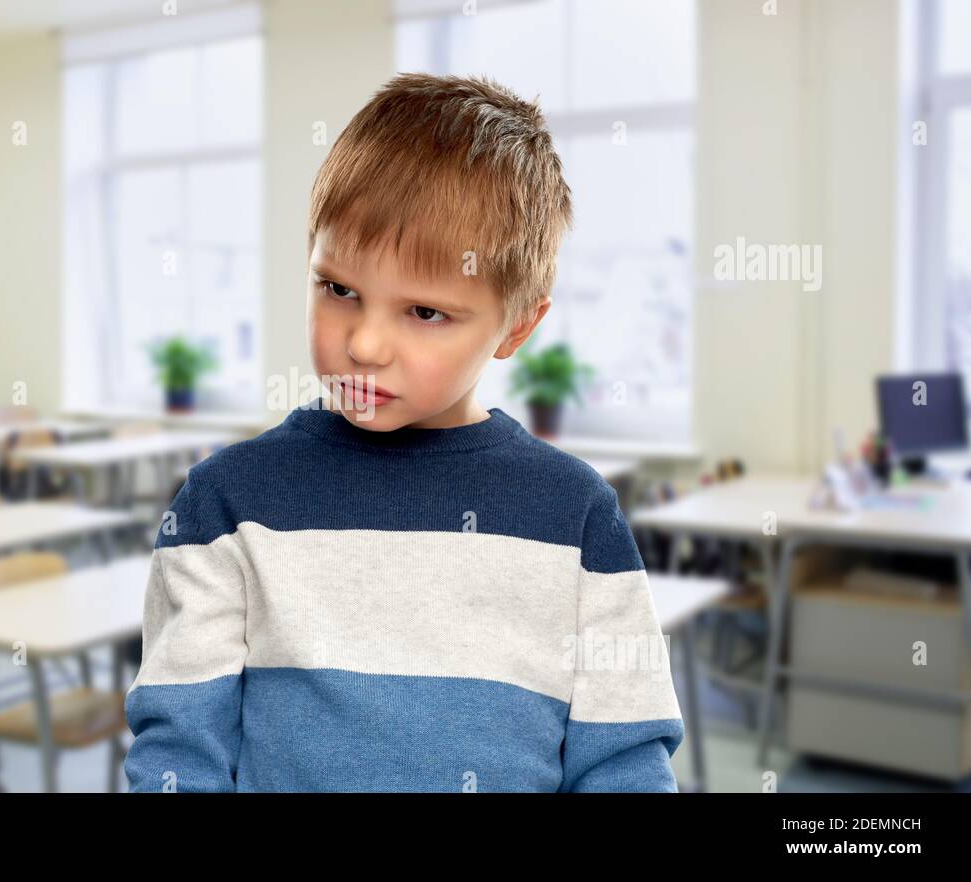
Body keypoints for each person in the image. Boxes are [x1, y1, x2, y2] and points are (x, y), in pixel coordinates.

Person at [123, 73, 683, 792]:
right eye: (339, 289)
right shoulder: (225, 502)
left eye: (424, 312)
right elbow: (181, 752)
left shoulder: (576, 516)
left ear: (517, 326)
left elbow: (624, 761)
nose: (364, 345)